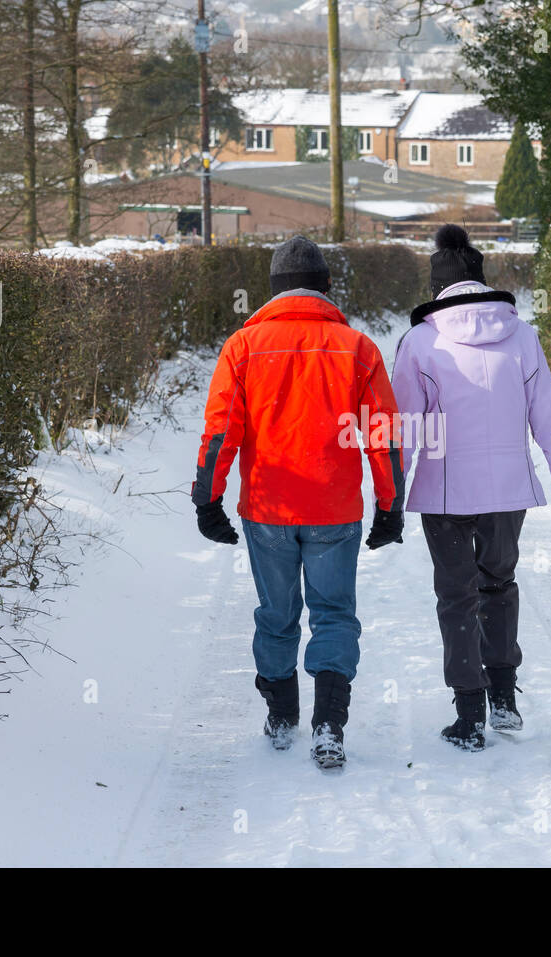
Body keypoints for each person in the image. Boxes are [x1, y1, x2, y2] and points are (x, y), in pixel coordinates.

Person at [191, 236, 405, 770]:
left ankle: (282, 713)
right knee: (334, 613)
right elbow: (383, 433)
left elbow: (222, 432)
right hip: (334, 507)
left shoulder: (243, 348)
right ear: (326, 287)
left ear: (273, 291)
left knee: (277, 613)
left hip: (267, 507)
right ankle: (329, 724)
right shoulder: (357, 348)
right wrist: (390, 504)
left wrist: (207, 499)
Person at [391, 224, 551, 751]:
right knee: (498, 586)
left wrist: (388, 502)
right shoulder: (522, 336)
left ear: (436, 290)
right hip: (508, 493)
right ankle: (504, 697)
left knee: (457, 598)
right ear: (481, 279)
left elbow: (404, 429)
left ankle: (469, 715)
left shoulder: (420, 341)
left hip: (444, 493)